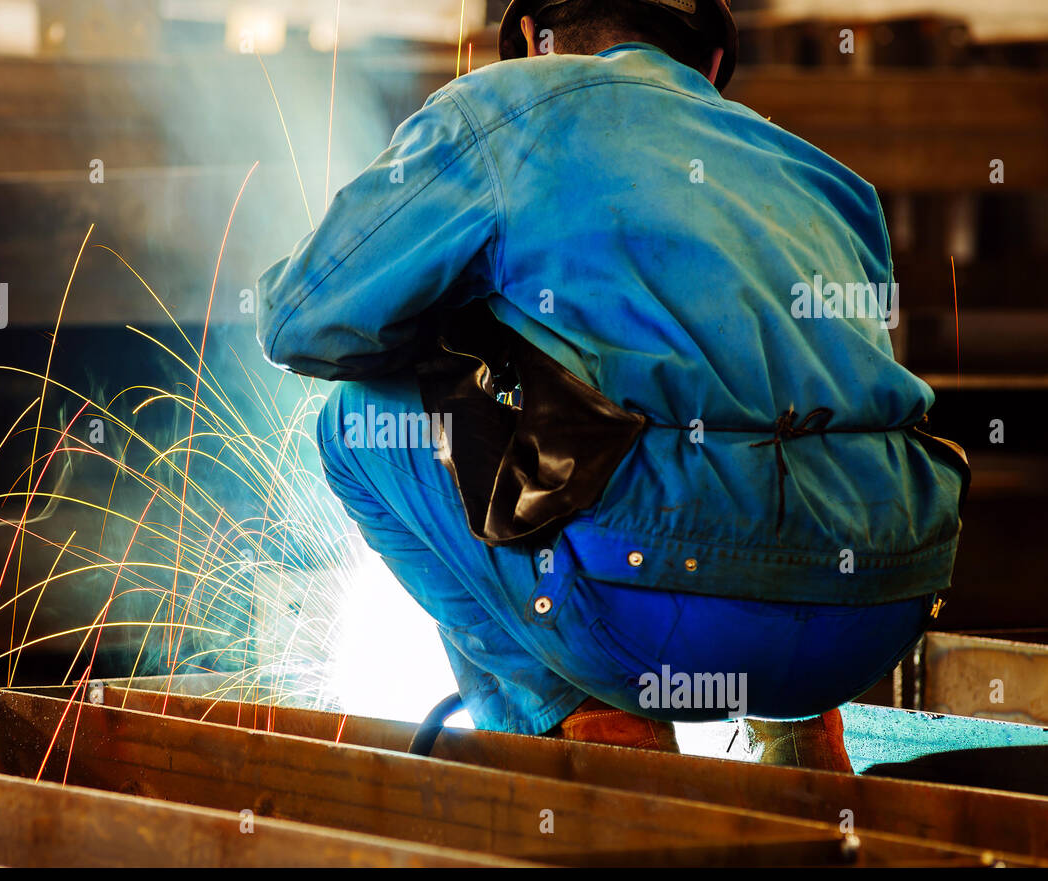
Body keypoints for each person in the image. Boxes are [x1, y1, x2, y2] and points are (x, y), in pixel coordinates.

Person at [256, 0, 968, 771]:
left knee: (361, 425)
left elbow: (300, 321)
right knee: (777, 438)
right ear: (716, 65)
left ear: (532, 41)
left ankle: (595, 735)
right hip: (879, 610)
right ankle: (802, 742)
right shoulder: (825, 178)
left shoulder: (502, 110)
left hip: (661, 613)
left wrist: (453, 335)